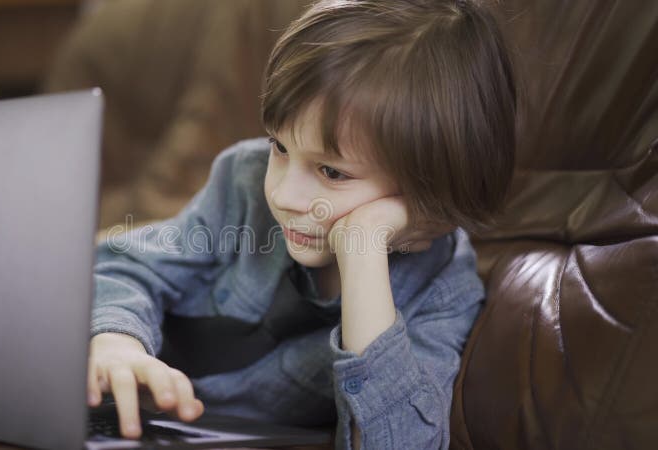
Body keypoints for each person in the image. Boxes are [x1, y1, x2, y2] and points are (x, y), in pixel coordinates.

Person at [86, 0, 517, 448]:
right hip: (122, 413)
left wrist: (363, 249)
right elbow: (129, 265)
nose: (284, 195)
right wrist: (117, 340)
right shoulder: (244, 180)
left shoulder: (444, 294)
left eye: (332, 172)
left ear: (434, 190)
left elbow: (400, 441)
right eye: (280, 146)